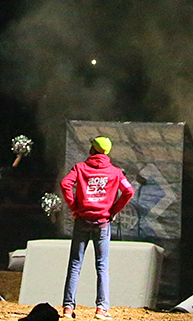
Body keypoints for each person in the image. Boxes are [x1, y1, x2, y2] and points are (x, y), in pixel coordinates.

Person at [60, 136, 136, 321]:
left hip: (82, 220)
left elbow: (65, 184)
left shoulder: (80, 168)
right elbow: (129, 191)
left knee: (75, 265)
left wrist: (74, 207)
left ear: (92, 150)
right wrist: (113, 210)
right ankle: (101, 310)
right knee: (102, 266)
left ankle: (68, 310)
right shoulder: (115, 172)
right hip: (102, 223)